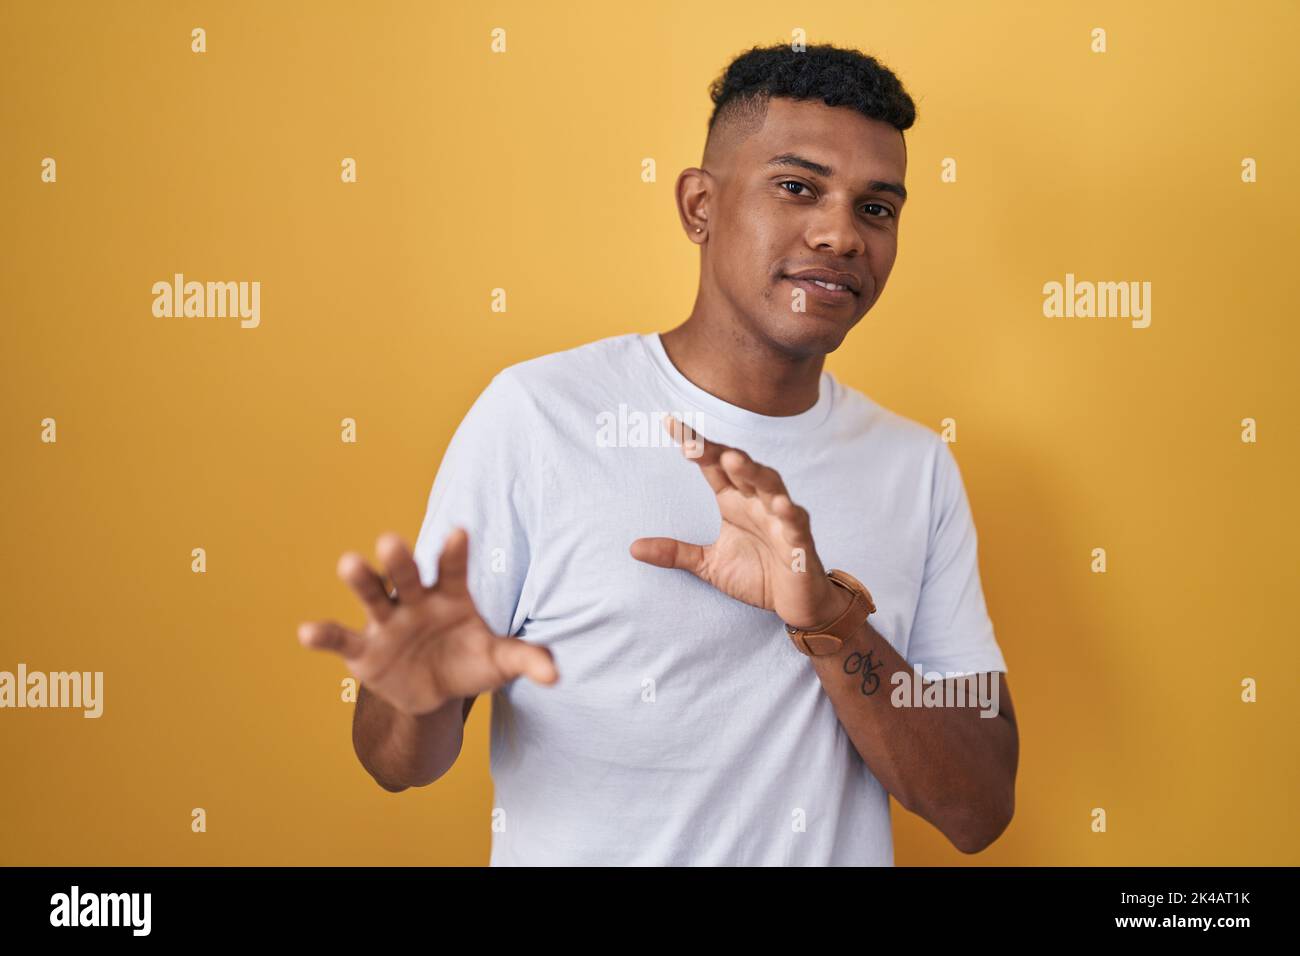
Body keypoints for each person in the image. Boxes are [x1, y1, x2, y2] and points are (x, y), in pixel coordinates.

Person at [298, 42, 1019, 865]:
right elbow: (396, 763)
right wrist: (417, 702)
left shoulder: (917, 468)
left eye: (876, 208)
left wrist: (827, 618)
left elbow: (980, 804)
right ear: (699, 206)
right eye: (798, 187)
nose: (840, 234)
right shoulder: (538, 417)